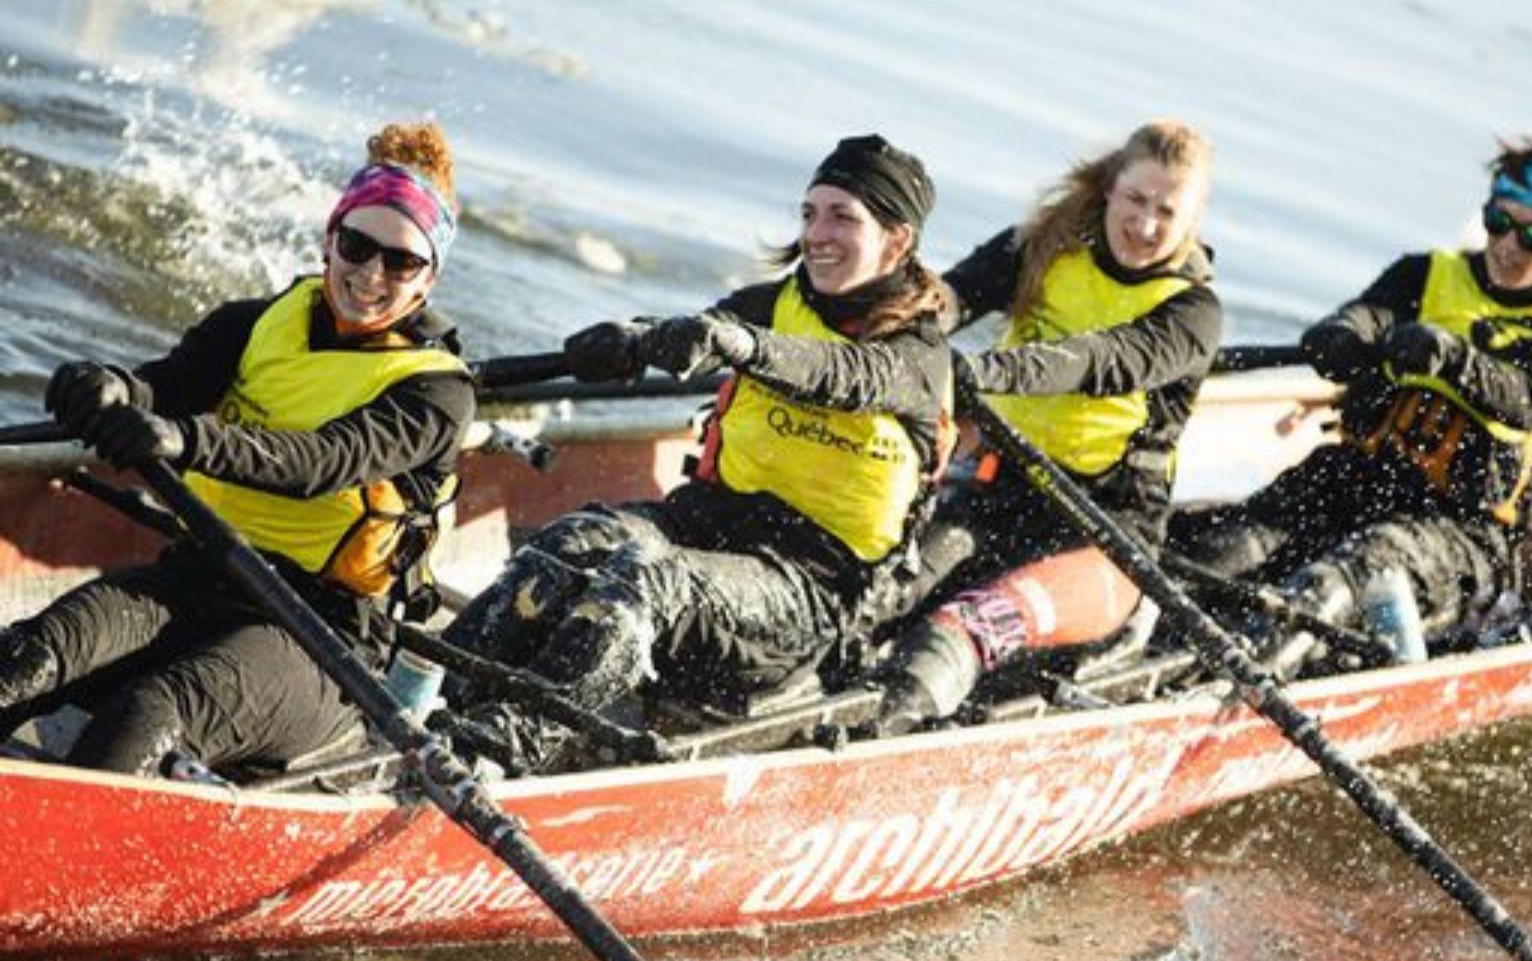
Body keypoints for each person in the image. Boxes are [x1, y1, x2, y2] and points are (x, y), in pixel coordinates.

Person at [442, 134, 950, 772]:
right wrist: (632, 340)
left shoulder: (918, 358)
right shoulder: (767, 308)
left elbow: (839, 373)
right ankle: (436, 697)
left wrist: (741, 346)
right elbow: (698, 332)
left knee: (650, 581)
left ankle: (504, 749)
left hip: (807, 593)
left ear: (897, 241)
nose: (817, 234)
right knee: (570, 542)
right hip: (709, 522)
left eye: (842, 217)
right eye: (809, 213)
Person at [0, 121, 475, 777]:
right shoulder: (251, 324)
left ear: (427, 282)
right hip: (198, 573)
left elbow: (323, 461)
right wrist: (110, 387)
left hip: (321, 639)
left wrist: (182, 439)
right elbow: (161, 387)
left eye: (400, 261)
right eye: (358, 246)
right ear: (329, 240)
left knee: (150, 710)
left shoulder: (436, 395)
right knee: (30, 656)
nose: (371, 274)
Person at [1170, 137, 1532, 664]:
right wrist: (1338, 338)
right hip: (1354, 480)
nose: (1509, 244)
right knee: (1215, 553)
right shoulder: (1421, 276)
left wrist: (1454, 358)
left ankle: (1239, 685)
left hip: (1463, 533)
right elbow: (1363, 317)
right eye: (1499, 221)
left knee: (1336, 585)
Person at [872, 119, 1221, 731]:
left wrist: (990, 371)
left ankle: (881, 735)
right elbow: (950, 299)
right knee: (875, 600)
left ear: (1192, 218)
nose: (1144, 225)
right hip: (995, 497)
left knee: (958, 633)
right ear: (1111, 187)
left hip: (1106, 540)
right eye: (1136, 200)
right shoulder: (1043, 244)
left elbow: (1100, 361)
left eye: (1166, 212)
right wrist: (895, 324)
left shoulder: (1192, 314)